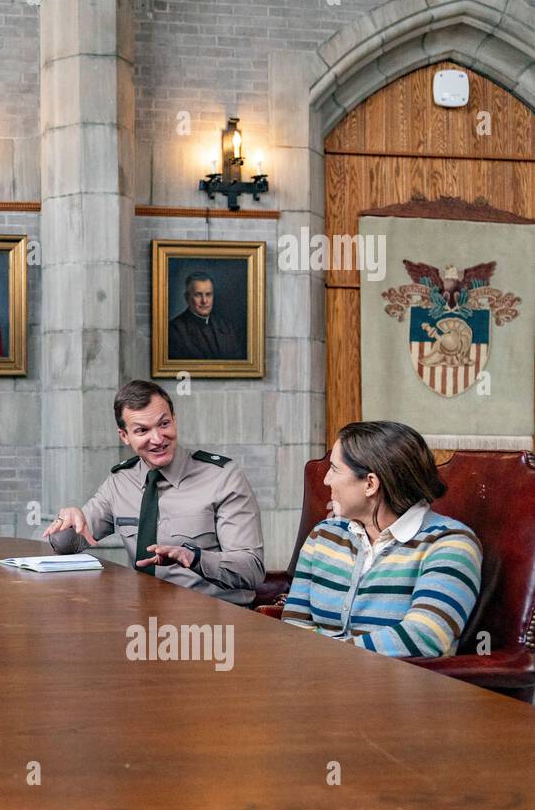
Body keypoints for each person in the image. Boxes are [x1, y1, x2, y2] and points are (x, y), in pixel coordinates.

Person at [42, 379, 264, 604]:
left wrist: (194, 557)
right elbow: (66, 545)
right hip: (143, 620)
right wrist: (67, 520)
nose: (157, 439)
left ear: (174, 420)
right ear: (125, 436)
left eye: (164, 424)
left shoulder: (223, 477)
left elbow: (252, 571)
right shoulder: (120, 482)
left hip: (215, 621)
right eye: (142, 430)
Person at [282, 421, 481, 656]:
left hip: (398, 689)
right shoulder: (324, 535)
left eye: (334, 469)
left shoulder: (450, 544)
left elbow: (424, 636)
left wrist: (327, 657)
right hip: (318, 682)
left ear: (370, 484)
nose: (326, 480)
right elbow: (294, 627)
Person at [167, 272, 244, 360]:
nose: (204, 301)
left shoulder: (227, 327)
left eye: (208, 295)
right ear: (187, 297)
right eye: (198, 295)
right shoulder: (174, 331)